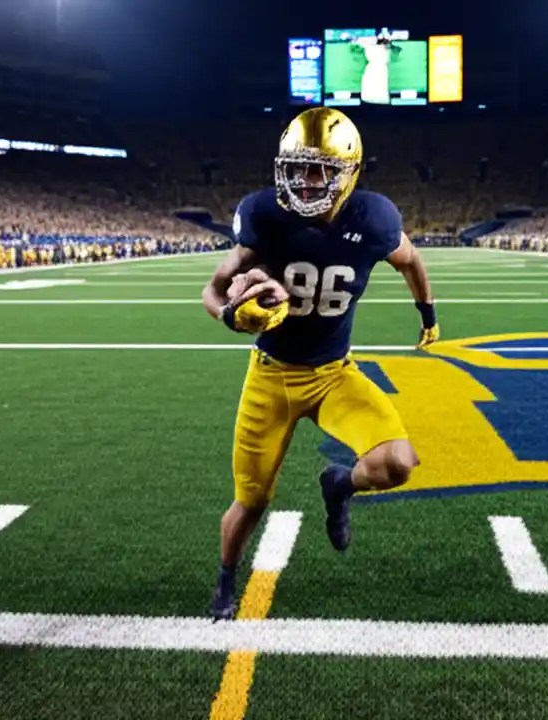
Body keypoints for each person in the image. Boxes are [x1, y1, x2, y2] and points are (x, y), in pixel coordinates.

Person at [201, 107, 439, 621]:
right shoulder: (264, 214)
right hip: (270, 376)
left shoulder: (373, 219)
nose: (305, 182)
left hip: (334, 374)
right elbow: (215, 286)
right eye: (295, 167)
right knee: (252, 500)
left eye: (319, 170)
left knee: (398, 462)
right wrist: (229, 313)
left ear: (350, 173)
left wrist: (427, 314)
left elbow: (412, 260)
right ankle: (224, 581)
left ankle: (340, 484)